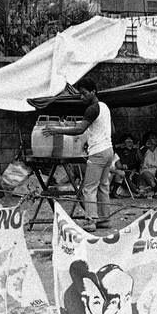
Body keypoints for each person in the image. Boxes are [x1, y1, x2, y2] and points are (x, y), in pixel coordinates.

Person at [41, 78, 113, 227]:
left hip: (98, 152)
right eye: (80, 94)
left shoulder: (91, 109)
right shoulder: (104, 107)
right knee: (103, 186)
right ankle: (105, 219)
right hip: (108, 150)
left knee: (89, 188)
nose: (81, 97)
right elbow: (112, 129)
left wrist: (57, 130)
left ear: (93, 91)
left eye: (84, 93)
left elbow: (79, 130)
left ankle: (91, 220)